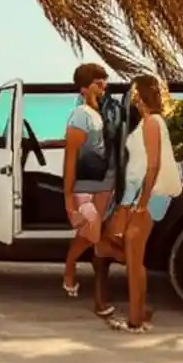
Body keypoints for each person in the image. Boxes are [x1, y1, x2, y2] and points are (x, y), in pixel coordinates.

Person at [99, 74, 183, 333]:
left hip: (150, 195)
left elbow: (154, 164)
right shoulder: (147, 121)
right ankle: (141, 309)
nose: (131, 96)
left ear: (143, 94)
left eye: (135, 91)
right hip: (137, 195)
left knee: (134, 256)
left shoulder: (152, 123)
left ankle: (136, 320)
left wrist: (142, 203)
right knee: (106, 244)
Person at [60, 62, 117, 318]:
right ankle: (69, 267)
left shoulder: (100, 112)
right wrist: (68, 200)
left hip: (104, 183)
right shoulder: (80, 114)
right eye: (97, 82)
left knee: (94, 233)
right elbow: (70, 157)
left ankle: (99, 295)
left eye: (104, 80)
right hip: (85, 184)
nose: (103, 85)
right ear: (84, 88)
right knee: (90, 231)